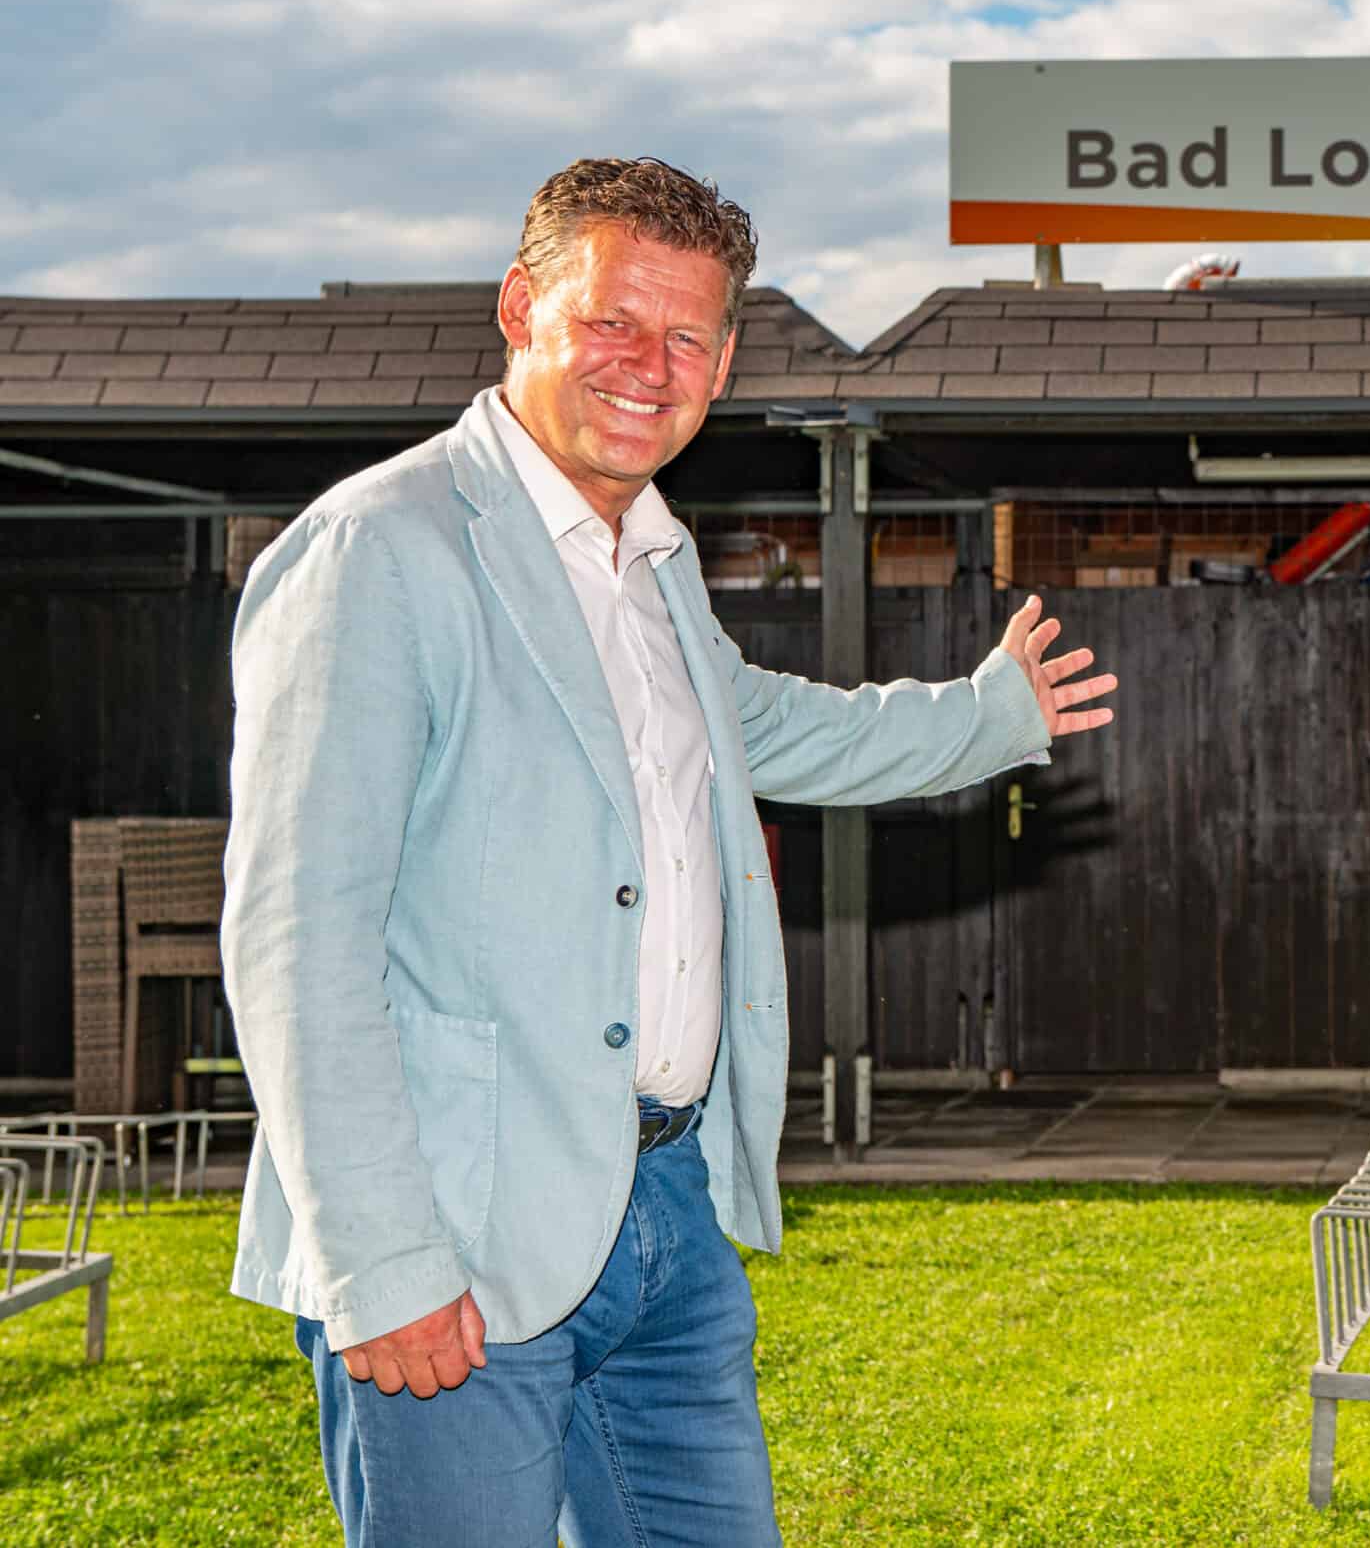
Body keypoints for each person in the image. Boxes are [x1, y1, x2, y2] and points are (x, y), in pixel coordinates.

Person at [220, 156, 1117, 1547]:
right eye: (612, 321)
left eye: (688, 337)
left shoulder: (647, 559)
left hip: (664, 1211)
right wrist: (382, 1259)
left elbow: (763, 728)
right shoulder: (379, 550)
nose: (651, 367)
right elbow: (295, 940)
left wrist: (988, 715)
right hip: (458, 1231)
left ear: (726, 361)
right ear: (520, 309)